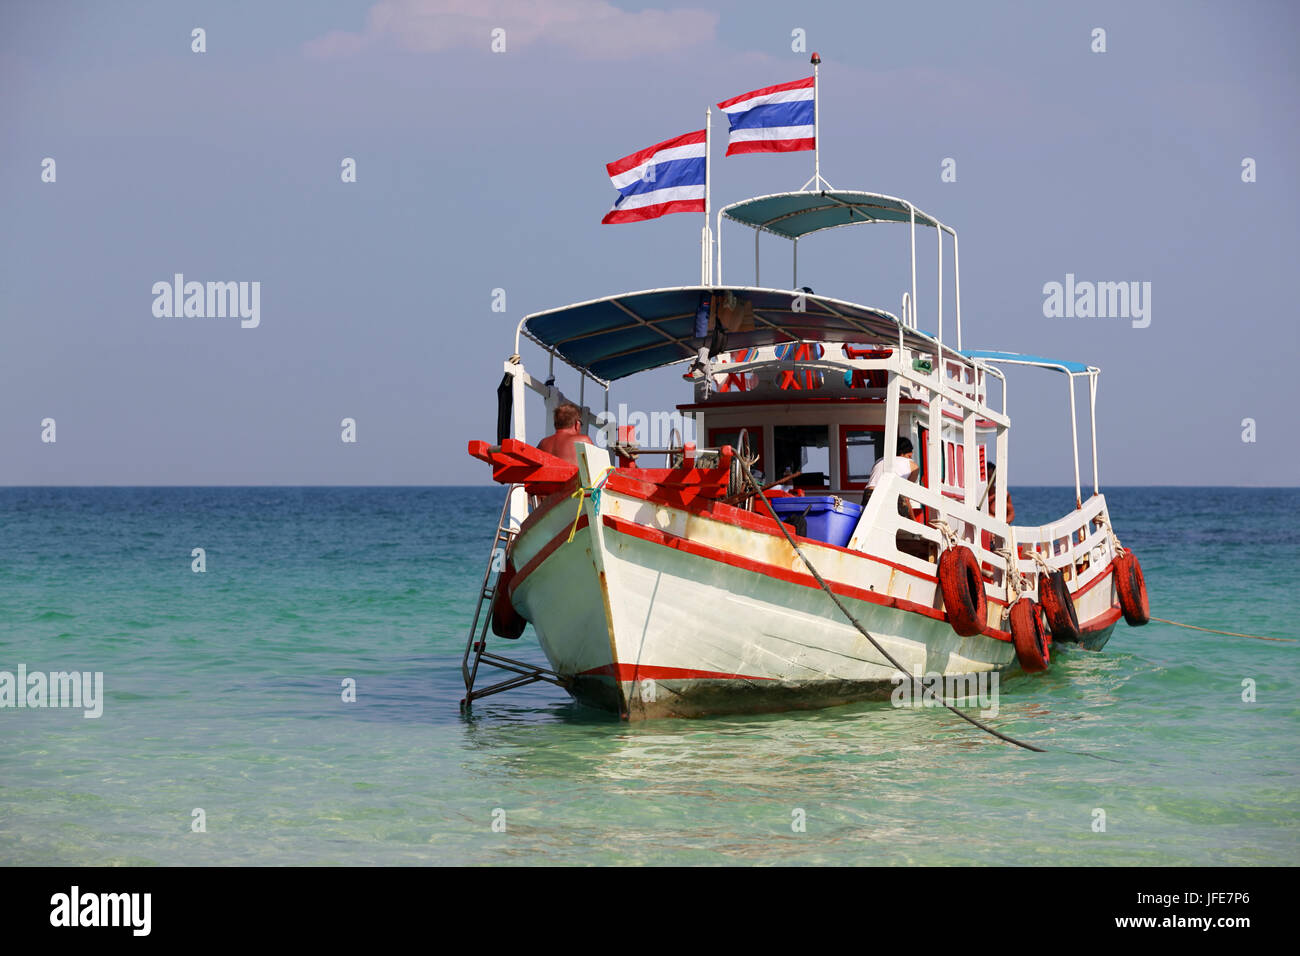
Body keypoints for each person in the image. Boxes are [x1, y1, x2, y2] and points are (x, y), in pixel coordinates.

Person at [861, 437, 919, 510]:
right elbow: (905, 497)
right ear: (910, 453)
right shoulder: (913, 466)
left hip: (870, 494)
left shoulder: (880, 460)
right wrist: (914, 520)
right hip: (892, 496)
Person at [537, 401, 593, 465]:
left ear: (555, 425)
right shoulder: (583, 441)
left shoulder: (542, 444)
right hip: (571, 475)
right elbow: (600, 470)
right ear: (577, 424)